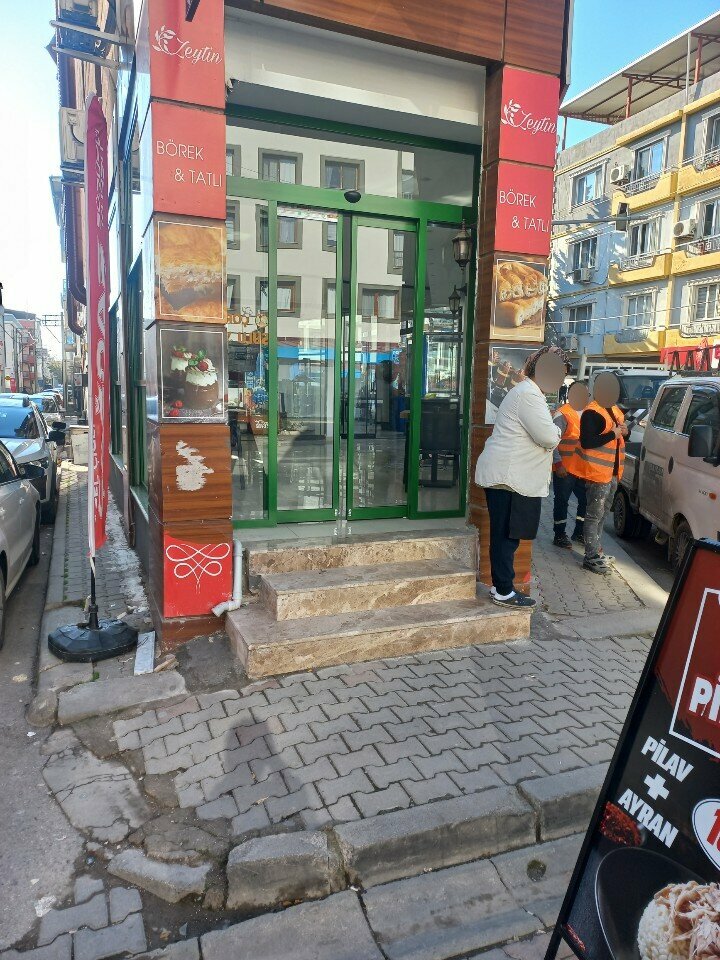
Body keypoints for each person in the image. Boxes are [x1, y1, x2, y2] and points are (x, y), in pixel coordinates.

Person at [475, 346, 563, 608]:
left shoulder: (528, 393)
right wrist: (557, 426)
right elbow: (548, 437)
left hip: (511, 477)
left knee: (507, 535)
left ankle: (502, 587)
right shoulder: (528, 395)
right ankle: (503, 590)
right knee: (506, 536)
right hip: (508, 477)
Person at [570, 374, 628, 575]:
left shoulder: (611, 408)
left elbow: (618, 433)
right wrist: (614, 434)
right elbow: (587, 442)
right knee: (594, 516)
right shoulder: (592, 412)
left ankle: (596, 551)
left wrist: (624, 431)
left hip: (611, 473)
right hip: (597, 474)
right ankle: (590, 557)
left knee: (602, 515)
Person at [551, 387, 587, 548]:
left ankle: (579, 532)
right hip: (564, 469)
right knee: (562, 501)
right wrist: (558, 464)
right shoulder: (563, 414)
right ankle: (559, 535)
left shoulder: (588, 412)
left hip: (581, 469)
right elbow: (552, 441)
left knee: (585, 500)